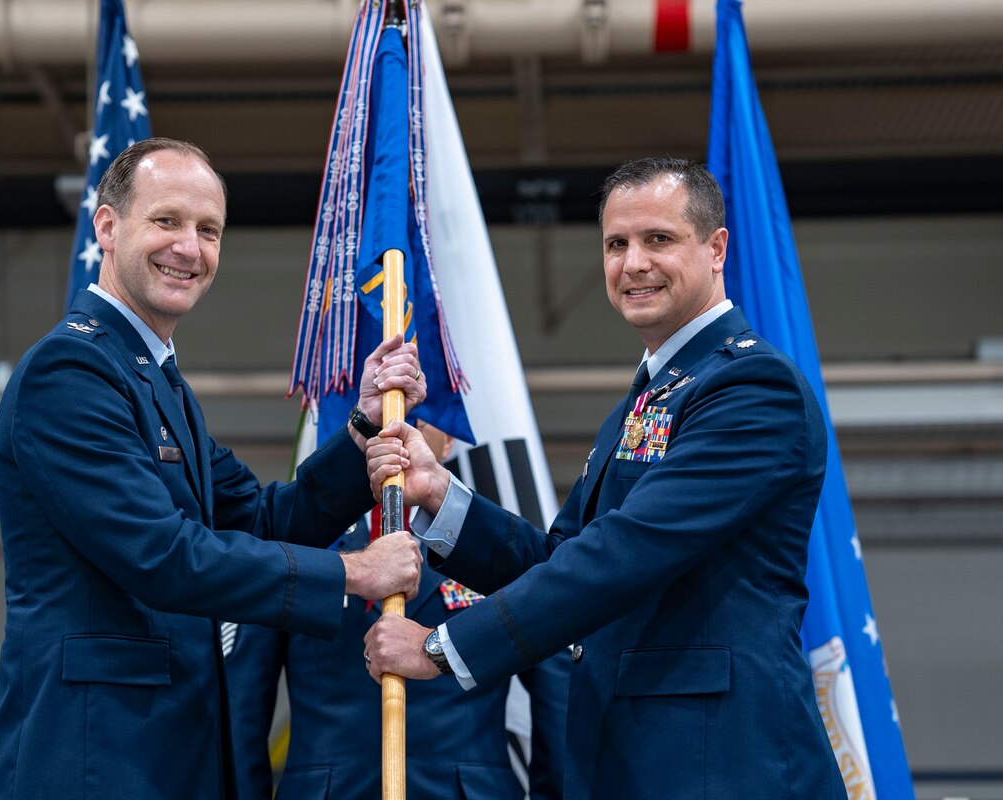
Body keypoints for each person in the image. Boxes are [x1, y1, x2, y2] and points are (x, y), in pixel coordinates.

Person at [362, 157, 847, 799]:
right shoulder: (644, 401)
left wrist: (442, 648)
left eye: (659, 239)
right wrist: (440, 494)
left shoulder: (753, 387)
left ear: (716, 249)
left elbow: (624, 553)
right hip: (634, 763)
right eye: (617, 244)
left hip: (722, 766)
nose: (633, 263)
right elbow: (560, 559)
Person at [0, 137, 426, 800]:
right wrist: (354, 572)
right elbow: (161, 555)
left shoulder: (153, 377)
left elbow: (260, 519)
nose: (189, 248)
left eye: (208, 230)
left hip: (162, 755)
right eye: (167, 221)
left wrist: (361, 429)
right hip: (94, 760)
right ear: (107, 227)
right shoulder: (69, 372)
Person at [226, 421, 570, 800]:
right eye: (386, 415)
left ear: (448, 440)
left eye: (420, 414)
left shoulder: (493, 545)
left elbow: (556, 682)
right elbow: (244, 703)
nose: (401, 421)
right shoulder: (299, 539)